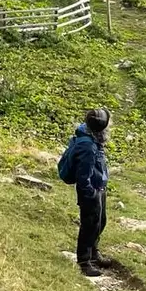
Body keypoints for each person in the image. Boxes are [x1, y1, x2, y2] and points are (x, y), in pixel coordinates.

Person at [58, 107, 111, 277]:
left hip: (98, 187)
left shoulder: (91, 137)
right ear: (101, 127)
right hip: (91, 191)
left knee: (100, 222)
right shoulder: (88, 146)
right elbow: (83, 177)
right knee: (89, 225)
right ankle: (84, 261)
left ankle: (94, 253)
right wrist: (91, 194)